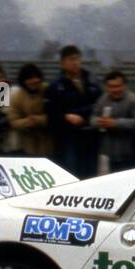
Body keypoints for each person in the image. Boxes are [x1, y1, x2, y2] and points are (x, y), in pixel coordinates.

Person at [45, 45, 101, 175]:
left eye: (77, 59)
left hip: (90, 134)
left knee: (91, 175)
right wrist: (66, 116)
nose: (75, 63)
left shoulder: (91, 80)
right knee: (72, 173)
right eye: (71, 59)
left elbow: (98, 103)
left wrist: (83, 115)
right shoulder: (55, 86)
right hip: (68, 137)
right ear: (62, 63)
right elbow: (51, 113)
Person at [91, 70, 135, 170]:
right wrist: (100, 122)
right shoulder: (102, 100)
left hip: (131, 151)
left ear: (124, 85)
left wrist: (115, 123)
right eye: (111, 86)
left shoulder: (134, 100)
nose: (114, 90)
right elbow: (92, 119)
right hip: (108, 152)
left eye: (117, 86)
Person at [9, 63, 53, 157]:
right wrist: (26, 122)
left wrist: (39, 120)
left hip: (50, 143)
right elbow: (13, 119)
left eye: (35, 78)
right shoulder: (18, 96)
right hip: (29, 146)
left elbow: (56, 113)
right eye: (29, 79)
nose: (33, 81)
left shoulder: (48, 90)